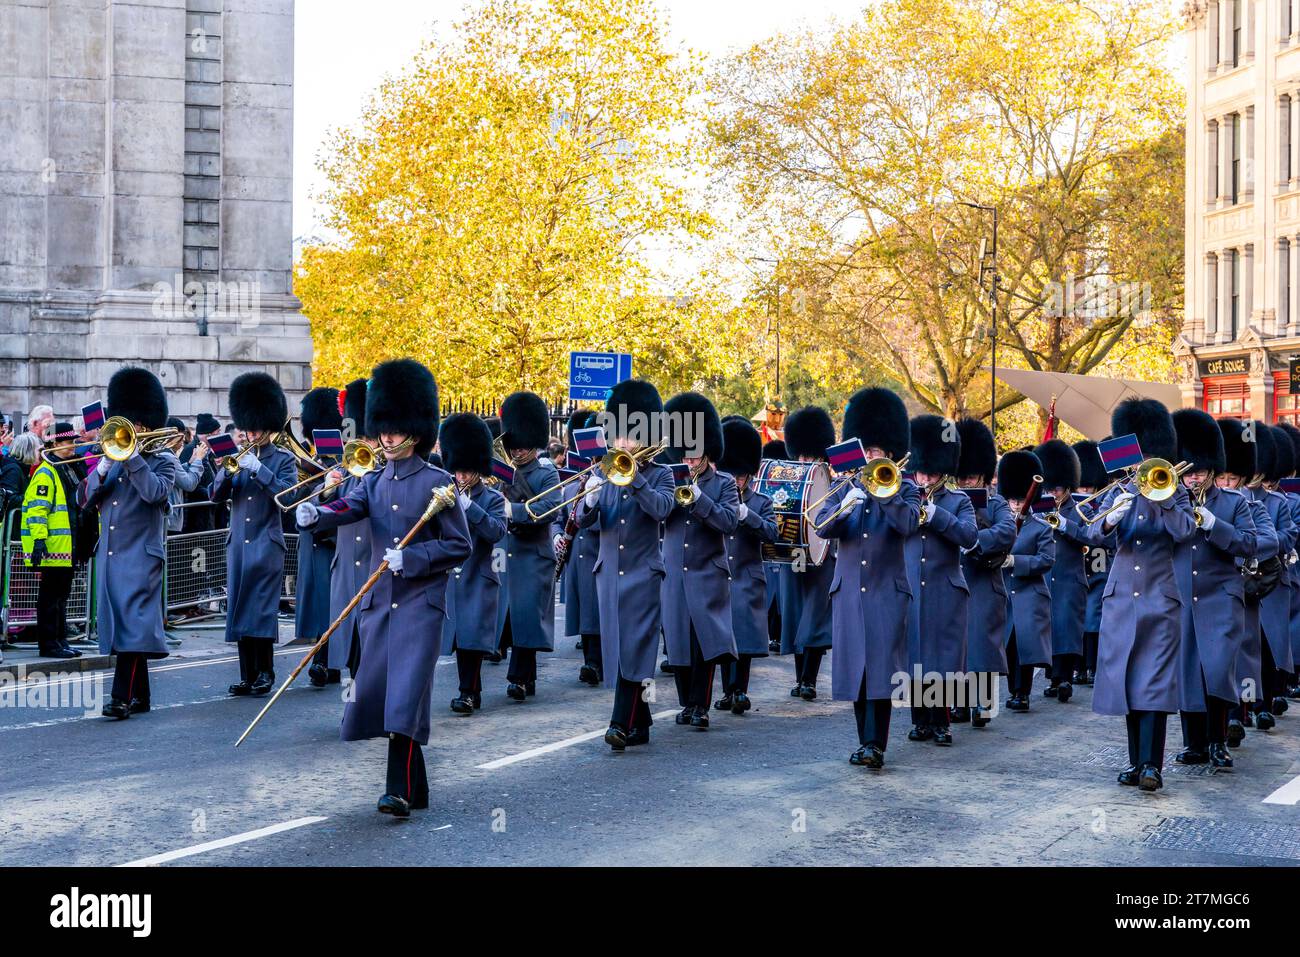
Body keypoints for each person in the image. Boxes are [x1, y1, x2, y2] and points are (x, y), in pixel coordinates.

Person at [297, 359, 471, 816]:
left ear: (414, 429)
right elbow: (351, 507)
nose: (387, 438)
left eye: (395, 430)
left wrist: (411, 558)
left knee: (405, 696)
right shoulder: (373, 481)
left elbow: (459, 545)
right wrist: (318, 513)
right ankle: (418, 788)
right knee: (385, 694)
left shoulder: (439, 484)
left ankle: (397, 790)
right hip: (379, 606)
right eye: (383, 430)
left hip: (421, 605)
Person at [1084, 398, 1195, 792]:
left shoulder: (1175, 488)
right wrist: (1112, 515)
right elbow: (1090, 533)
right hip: (1121, 597)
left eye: (1148, 456)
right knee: (1129, 683)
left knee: (1155, 683)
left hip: (1160, 597)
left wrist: (1161, 501)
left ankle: (1153, 765)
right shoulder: (1119, 490)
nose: (1143, 464)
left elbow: (1186, 532)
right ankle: (1135, 763)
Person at [813, 387, 918, 768]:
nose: (871, 456)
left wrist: (883, 494)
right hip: (848, 593)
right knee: (856, 668)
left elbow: (907, 524)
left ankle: (876, 743)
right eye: (867, 450)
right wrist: (844, 506)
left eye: (877, 450)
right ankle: (865, 741)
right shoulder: (846, 486)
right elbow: (821, 528)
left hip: (886, 592)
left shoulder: (904, 486)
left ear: (890, 452)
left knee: (881, 669)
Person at [578, 379, 675, 751]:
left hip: (643, 573)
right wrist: (586, 502)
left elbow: (662, 509)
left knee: (636, 648)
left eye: (629, 437)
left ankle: (620, 722)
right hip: (608, 572)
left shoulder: (661, 474)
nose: (621, 444)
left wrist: (633, 480)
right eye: (617, 436)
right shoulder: (602, 473)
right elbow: (583, 522)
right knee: (619, 648)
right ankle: (643, 722)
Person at [79, 368, 178, 717]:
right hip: (112, 556)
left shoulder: (163, 460)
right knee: (123, 624)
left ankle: (120, 697)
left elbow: (156, 494)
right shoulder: (115, 459)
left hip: (141, 556)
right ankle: (141, 696)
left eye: (138, 424)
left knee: (133, 625)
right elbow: (85, 499)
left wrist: (133, 457)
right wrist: (103, 468)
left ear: (149, 425)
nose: (132, 430)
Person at [1170, 409, 1255, 770]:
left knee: (1218, 670)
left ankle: (1218, 741)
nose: (1194, 479)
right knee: (1188, 672)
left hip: (1220, 597)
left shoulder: (1233, 503)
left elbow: (1251, 543)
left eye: (1200, 472)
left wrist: (1215, 524)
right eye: (1188, 473)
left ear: (1213, 470)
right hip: (1180, 597)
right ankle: (1194, 744)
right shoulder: (1169, 502)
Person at [211, 372, 295, 697]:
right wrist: (225, 470)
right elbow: (215, 494)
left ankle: (266, 672)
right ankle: (247, 675)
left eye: (256, 427)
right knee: (240, 607)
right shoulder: (238, 457)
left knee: (261, 609)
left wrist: (259, 469)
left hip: (266, 543)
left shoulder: (282, 459)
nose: (251, 433)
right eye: (248, 428)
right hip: (238, 546)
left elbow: (287, 496)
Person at [660, 392, 738, 730]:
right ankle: (685, 702)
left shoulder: (723, 484)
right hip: (674, 571)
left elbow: (729, 522)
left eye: (694, 456)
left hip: (707, 571)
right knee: (677, 641)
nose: (690, 462)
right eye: (685, 456)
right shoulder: (670, 479)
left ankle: (700, 705)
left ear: (706, 452)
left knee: (703, 642)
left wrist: (700, 500)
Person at [904, 414, 977, 744]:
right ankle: (920, 720)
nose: (924, 477)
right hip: (909, 586)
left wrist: (937, 516)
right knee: (914, 654)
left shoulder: (959, 501)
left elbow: (969, 537)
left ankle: (942, 721)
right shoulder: (904, 496)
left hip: (945, 587)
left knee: (943, 658)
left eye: (931, 472)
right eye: (921, 471)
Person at [439, 412, 507, 713]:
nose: (462, 477)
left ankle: (468, 691)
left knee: (471, 638)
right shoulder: (443, 494)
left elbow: (496, 531)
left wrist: (470, 507)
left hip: (478, 573)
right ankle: (471, 690)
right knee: (454, 638)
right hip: (450, 574)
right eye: (458, 471)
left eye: (467, 472)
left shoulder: (491, 497)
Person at [496, 391, 561, 700]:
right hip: (505, 551)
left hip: (533, 553)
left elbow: (550, 509)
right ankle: (524, 676)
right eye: (514, 445)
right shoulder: (502, 469)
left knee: (526, 616)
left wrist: (514, 510)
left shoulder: (546, 472)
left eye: (522, 445)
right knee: (509, 614)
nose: (517, 451)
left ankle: (519, 677)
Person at [953, 417, 1015, 727]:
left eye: (972, 477)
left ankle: (984, 703)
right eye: (962, 478)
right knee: (959, 646)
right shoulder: (948, 501)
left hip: (985, 583)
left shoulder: (997, 503)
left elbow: (1007, 532)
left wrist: (973, 540)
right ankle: (959, 703)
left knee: (983, 647)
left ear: (984, 476)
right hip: (957, 582)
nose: (967, 483)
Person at [716, 416, 778, 714]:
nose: (736, 481)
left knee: (744, 637)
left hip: (747, 573)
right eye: (732, 475)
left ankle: (740, 689)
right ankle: (728, 690)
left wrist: (746, 515)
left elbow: (772, 532)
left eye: (741, 477)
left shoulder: (762, 501)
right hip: (721, 573)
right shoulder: (718, 497)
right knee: (724, 635)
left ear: (749, 476)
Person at [284, 388, 343, 687]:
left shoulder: (347, 460)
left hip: (334, 539)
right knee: (317, 604)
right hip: (311, 539)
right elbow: (295, 499)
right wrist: (309, 482)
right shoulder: (311, 460)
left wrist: (330, 486)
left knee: (332, 602)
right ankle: (324, 660)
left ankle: (325, 662)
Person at [777, 406, 837, 699]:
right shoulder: (787, 480)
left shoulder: (832, 479)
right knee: (798, 615)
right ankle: (801, 677)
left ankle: (809, 679)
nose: (804, 461)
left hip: (823, 554)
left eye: (810, 456)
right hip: (794, 553)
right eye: (800, 456)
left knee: (814, 617)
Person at [1224, 418, 1276, 746]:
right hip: (1209, 593)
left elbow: (1271, 542)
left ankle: (1239, 713)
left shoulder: (1253, 507)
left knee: (1245, 655)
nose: (1227, 483)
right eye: (1223, 477)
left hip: (1242, 589)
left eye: (1233, 477)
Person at [22, 424, 87, 659]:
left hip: (67, 546)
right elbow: (38, 510)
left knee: (61, 597)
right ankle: (49, 644)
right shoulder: (46, 472)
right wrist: (39, 540)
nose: (74, 445)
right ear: (55, 445)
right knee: (50, 598)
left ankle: (60, 640)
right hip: (52, 547)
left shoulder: (67, 468)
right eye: (69, 442)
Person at [323, 379, 373, 682]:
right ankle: (354, 713)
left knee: (373, 643)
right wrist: (327, 492)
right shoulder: (349, 465)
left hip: (372, 563)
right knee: (350, 644)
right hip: (346, 565)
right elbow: (333, 510)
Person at [1034, 439, 1088, 704]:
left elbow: (1090, 536)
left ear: (1068, 486)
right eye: (1049, 488)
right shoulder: (1037, 508)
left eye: (1057, 488)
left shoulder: (1080, 509)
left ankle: (1065, 677)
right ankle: (1054, 679)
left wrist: (1064, 524)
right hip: (1045, 577)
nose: (1053, 493)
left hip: (1069, 577)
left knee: (1067, 629)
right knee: (1049, 629)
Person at [1000, 450, 1054, 711]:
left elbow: (1046, 559)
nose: (1015, 505)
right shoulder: (998, 525)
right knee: (1007, 647)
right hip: (1003, 592)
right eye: (1012, 501)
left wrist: (1016, 561)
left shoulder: (1041, 527)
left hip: (1029, 593)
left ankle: (1022, 693)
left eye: (1020, 500)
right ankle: (1012, 689)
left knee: (1024, 647)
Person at [1255, 424, 1297, 730]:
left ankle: (1268, 699)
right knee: (1245, 645)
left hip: (1273, 578)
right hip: (1239, 580)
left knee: (1270, 643)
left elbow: (1288, 537)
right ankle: (1244, 707)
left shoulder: (1284, 503)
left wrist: (1257, 542)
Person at [560, 409, 603, 684]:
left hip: (601, 553)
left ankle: (598, 663)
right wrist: (556, 535)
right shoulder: (575, 484)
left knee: (598, 612)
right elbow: (560, 518)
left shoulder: (610, 483)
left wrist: (592, 502)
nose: (594, 462)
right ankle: (591, 663)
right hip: (579, 555)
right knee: (585, 614)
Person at [1073, 439, 1110, 685]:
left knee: (1095, 615)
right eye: (1082, 487)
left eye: (1089, 488)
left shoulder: (1106, 497)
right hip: (1078, 561)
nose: (1085, 492)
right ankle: (1078, 666)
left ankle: (1093, 664)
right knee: (1078, 615)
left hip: (1101, 560)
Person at [762, 438, 786, 653]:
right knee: (769, 591)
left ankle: (778, 633)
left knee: (781, 594)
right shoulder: (762, 485)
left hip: (786, 541)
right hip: (766, 546)